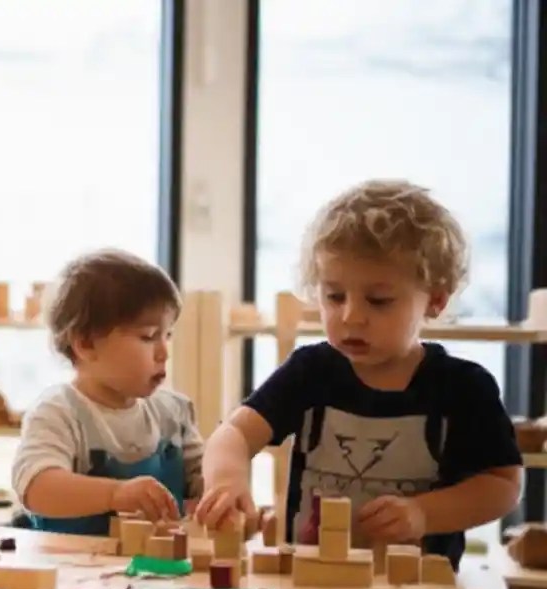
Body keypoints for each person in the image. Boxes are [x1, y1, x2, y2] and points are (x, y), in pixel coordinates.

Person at [195, 179, 523, 567]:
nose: (351, 316)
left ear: (435, 299)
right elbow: (233, 433)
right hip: (309, 579)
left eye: (378, 300)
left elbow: (503, 486)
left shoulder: (463, 387)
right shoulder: (311, 371)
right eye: (334, 296)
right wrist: (227, 480)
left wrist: (423, 514)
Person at [10, 249, 203, 535]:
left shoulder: (173, 412)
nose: (164, 352)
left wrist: (222, 494)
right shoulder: (58, 412)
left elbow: (202, 477)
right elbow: (37, 487)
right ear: (86, 344)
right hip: (72, 571)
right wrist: (115, 494)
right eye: (148, 337)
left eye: (168, 335)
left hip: (158, 572)